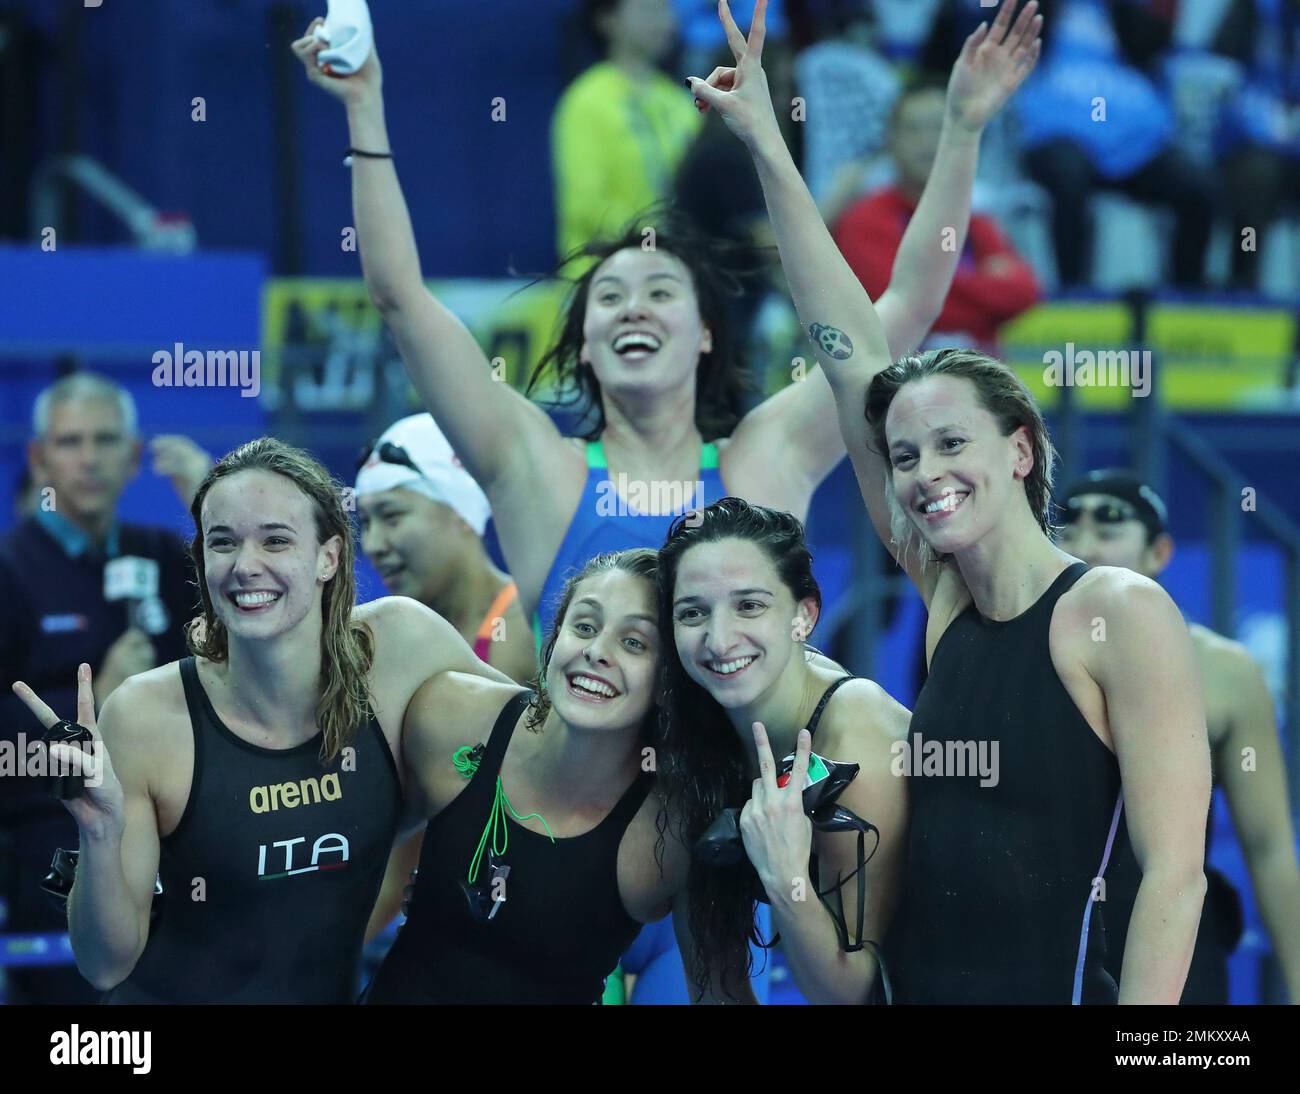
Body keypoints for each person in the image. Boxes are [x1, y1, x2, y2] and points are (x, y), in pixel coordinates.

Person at [294, 0, 1032, 999]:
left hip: (741, 845)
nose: (633, 307)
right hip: (593, 851)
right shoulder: (535, 464)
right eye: (610, 298)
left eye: (660, 294)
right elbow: (401, 300)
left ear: (704, 336)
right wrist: (365, 108)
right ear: (584, 342)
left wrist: (961, 126)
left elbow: (902, 307)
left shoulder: (769, 449)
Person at [691, 0, 1209, 1002]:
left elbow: (1176, 876)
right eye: (903, 455)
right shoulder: (944, 593)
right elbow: (844, 340)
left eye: (950, 443)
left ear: (1020, 448)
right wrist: (765, 140)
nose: (924, 472)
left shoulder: (1116, 611)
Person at [11, 438, 507, 1003]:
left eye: (275, 539)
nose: (247, 566)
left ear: (330, 556)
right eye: (223, 543)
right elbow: (104, 965)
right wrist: (98, 831)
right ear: (202, 559)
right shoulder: (148, 715)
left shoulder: (401, 651)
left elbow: (538, 745)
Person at [361, 549, 754, 1004]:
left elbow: (725, 996)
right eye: (584, 627)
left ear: (670, 681)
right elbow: (348, 857)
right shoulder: (453, 720)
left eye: (634, 643)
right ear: (554, 639)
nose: (595, 652)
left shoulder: (668, 834)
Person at [1057, 469, 1300, 1004]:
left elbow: (1268, 844)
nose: (1084, 546)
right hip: (1048, 940)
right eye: (1066, 529)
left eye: (1110, 527)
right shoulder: (1021, 656)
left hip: (1179, 944)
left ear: (1159, 553)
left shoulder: (1225, 674)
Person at [656, 497, 910, 1003]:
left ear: (804, 615)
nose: (719, 639)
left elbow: (857, 993)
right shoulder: (696, 736)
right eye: (692, 612)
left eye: (750, 605)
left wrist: (785, 876)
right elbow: (714, 983)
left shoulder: (857, 735)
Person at [0, 373, 197, 1004]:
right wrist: (85, 713)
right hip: (50, 852)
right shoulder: (10, 568)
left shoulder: (166, 555)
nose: (89, 458)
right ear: (38, 457)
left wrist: (205, 497)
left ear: (135, 456)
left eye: (106, 440)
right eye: (70, 441)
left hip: (170, 849)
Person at [355, 413, 535, 943]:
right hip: (430, 921)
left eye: (391, 515)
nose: (376, 543)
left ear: (459, 511)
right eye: (365, 522)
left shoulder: (528, 626)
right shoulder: (392, 640)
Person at [834, 79, 1040, 350]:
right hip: (897, 376)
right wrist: (981, 285)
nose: (927, 141)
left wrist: (924, 286)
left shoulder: (974, 219)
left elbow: (1024, 292)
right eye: (914, 129)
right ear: (890, 140)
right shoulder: (863, 220)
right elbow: (898, 309)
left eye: (937, 128)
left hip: (980, 378)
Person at [553, 0, 703, 264]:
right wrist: (655, 242)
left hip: (675, 266)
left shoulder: (681, 103)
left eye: (666, 10)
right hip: (603, 272)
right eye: (649, 10)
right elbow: (585, 208)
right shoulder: (586, 101)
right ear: (608, 20)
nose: (664, 21)